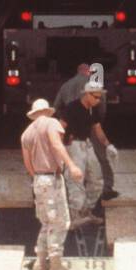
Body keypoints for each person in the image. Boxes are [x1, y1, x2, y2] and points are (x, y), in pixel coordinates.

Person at [20, 98, 84, 270]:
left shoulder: (26, 134)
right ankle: (56, 267)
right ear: (47, 111)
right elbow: (56, 145)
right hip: (51, 178)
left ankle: (40, 263)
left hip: (38, 180)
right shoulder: (51, 123)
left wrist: (38, 177)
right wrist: (71, 165)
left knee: (46, 222)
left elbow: (27, 163)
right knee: (59, 222)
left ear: (34, 114)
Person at [54, 62, 119, 203]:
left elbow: (56, 106)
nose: (98, 99)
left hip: (77, 136)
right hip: (81, 134)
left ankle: (80, 201)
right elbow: (101, 110)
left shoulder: (66, 86)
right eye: (96, 97)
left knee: (80, 170)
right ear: (88, 72)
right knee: (98, 161)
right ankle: (105, 190)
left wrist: (65, 119)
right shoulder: (92, 85)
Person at [59, 76, 109, 228]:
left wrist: (108, 146)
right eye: (96, 97)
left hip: (87, 145)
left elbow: (98, 129)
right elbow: (60, 128)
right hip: (73, 145)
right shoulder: (72, 108)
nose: (98, 100)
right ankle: (75, 215)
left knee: (97, 179)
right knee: (76, 180)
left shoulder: (92, 109)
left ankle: (86, 211)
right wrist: (60, 150)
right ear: (87, 94)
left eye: (100, 98)